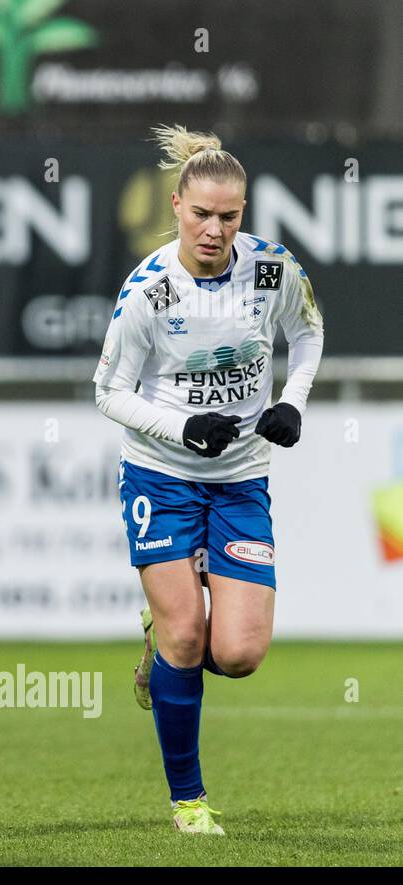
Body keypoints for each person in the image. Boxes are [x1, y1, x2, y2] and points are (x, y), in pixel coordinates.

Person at [93, 125, 324, 834]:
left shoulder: (272, 269)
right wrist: (181, 428)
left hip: (241, 479)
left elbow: (309, 335)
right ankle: (188, 802)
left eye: (230, 216)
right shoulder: (149, 292)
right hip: (161, 476)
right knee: (188, 638)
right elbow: (107, 390)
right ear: (176, 206)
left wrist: (291, 401)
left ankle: (161, 648)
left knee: (240, 654)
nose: (215, 229)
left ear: (244, 213)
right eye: (201, 214)